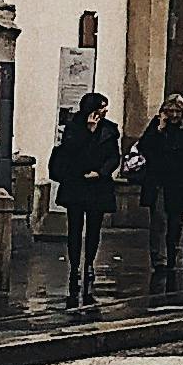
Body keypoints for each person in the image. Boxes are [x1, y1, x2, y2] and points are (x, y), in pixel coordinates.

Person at [47, 87, 122, 313]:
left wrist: (102, 172)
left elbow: (113, 156)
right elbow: (71, 152)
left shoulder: (110, 130)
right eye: (100, 109)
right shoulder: (74, 127)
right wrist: (88, 132)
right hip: (77, 184)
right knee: (74, 228)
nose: (103, 113)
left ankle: (89, 263)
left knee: (94, 229)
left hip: (98, 185)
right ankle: (74, 267)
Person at [132, 90, 183, 296]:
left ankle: (172, 255)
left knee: (176, 222)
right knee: (159, 220)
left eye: (177, 111)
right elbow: (144, 147)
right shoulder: (157, 127)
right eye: (169, 110)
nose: (173, 115)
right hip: (159, 181)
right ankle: (158, 258)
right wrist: (159, 129)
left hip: (180, 183)